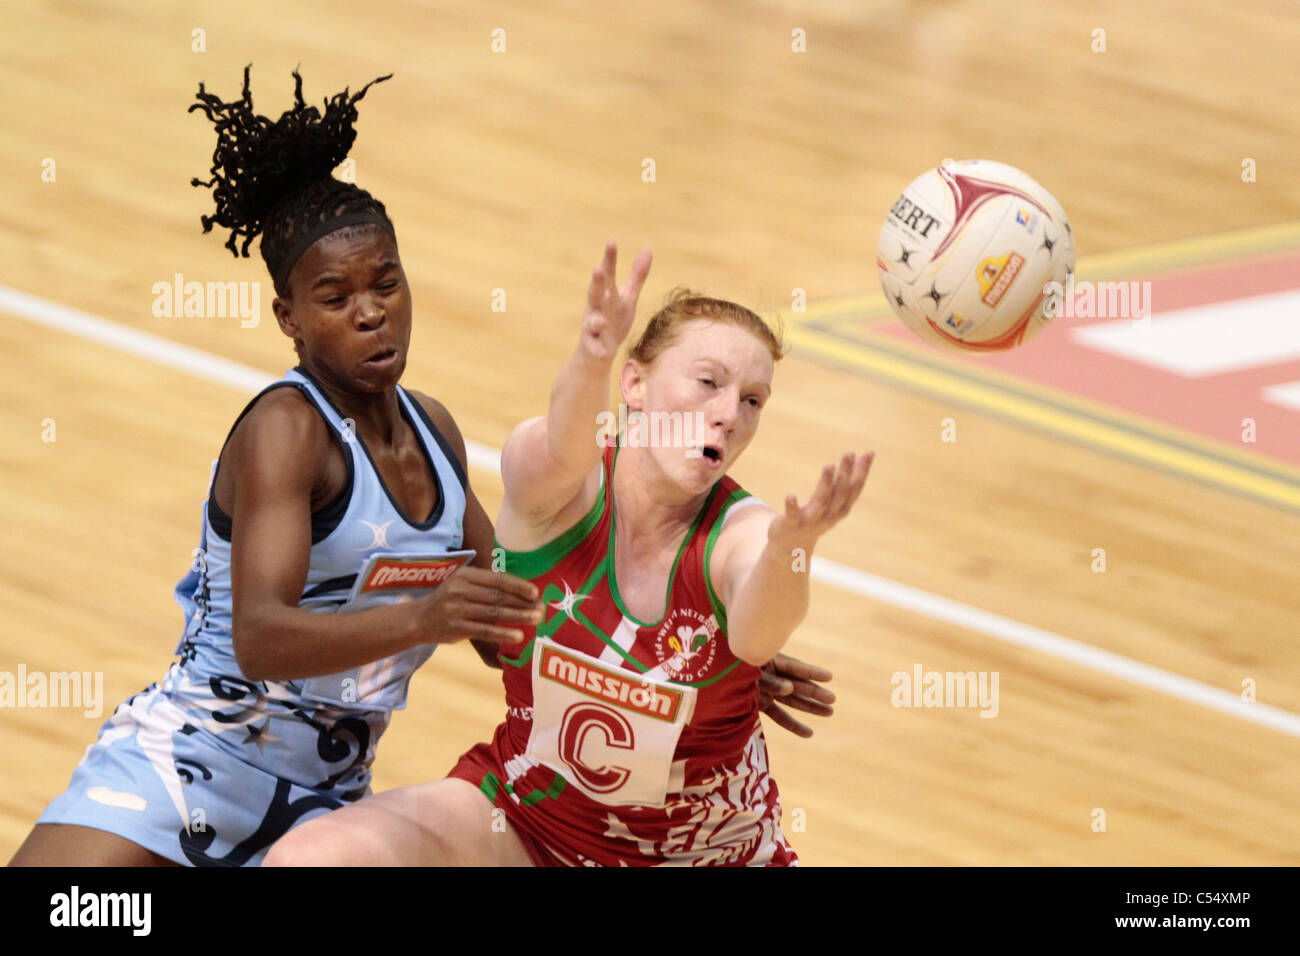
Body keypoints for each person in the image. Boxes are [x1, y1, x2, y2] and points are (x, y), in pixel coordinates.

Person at [8, 69, 832, 868]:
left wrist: (689, 673)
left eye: (388, 285)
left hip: (325, 790)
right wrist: (423, 618)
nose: (371, 313)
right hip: (194, 763)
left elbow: (512, 621)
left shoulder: (433, 430)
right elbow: (260, 638)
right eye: (336, 298)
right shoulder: (285, 430)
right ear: (289, 320)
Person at [263, 243, 871, 866]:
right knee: (310, 861)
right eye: (709, 382)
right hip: (527, 826)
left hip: (705, 860)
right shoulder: (550, 490)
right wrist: (593, 356)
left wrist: (796, 546)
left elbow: (759, 630)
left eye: (752, 401)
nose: (726, 416)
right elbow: (561, 447)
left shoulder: (745, 533)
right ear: (632, 382)